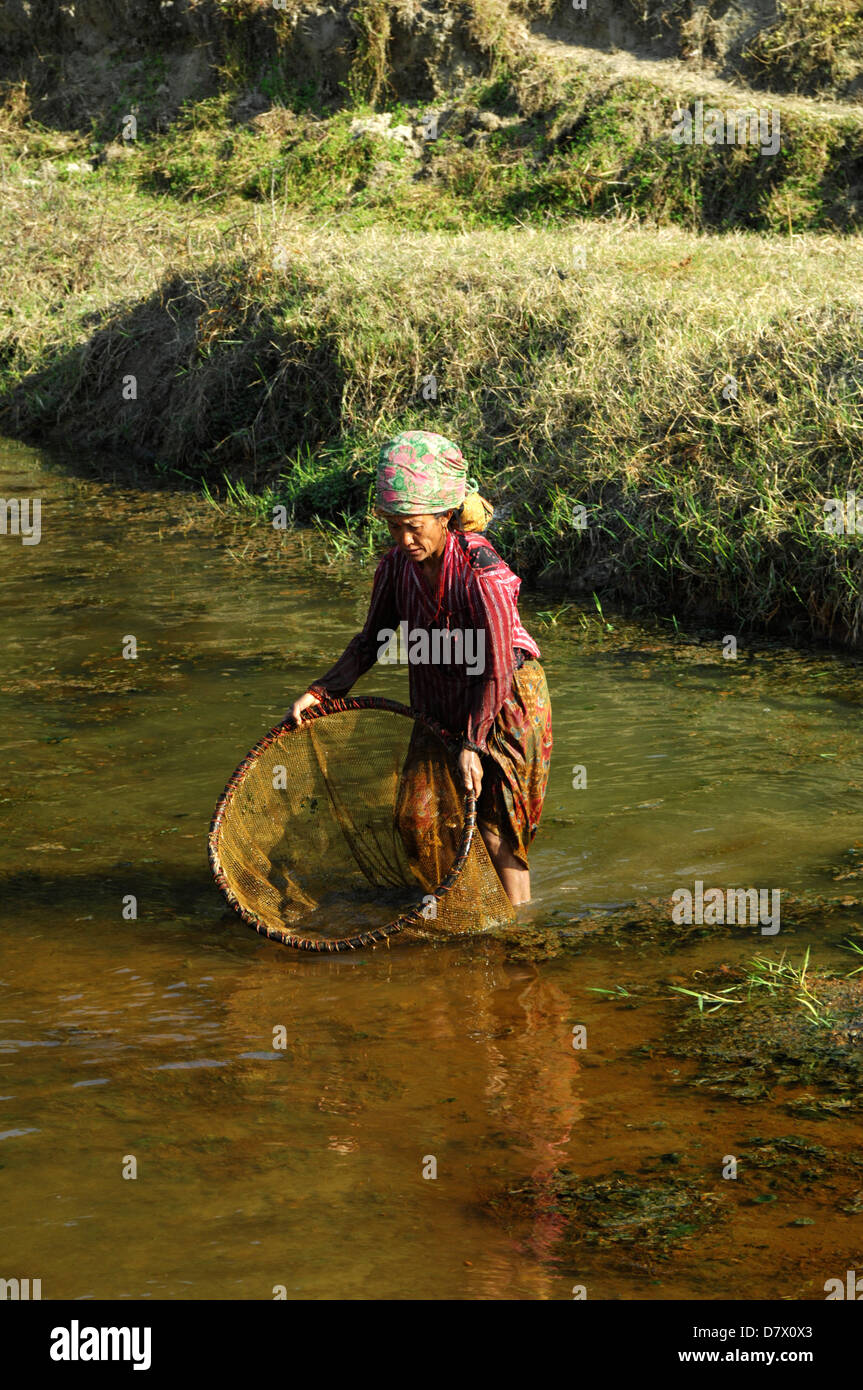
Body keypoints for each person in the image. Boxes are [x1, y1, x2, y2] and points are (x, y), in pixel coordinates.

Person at [287, 430, 552, 905]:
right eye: (394, 527)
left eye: (415, 527)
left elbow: (496, 666)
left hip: (506, 697)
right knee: (419, 818)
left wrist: (472, 743)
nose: (404, 540)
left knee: (496, 825)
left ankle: (519, 932)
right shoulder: (395, 568)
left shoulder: (482, 575)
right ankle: (461, 902)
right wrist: (323, 691)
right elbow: (370, 642)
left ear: (446, 517)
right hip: (440, 694)